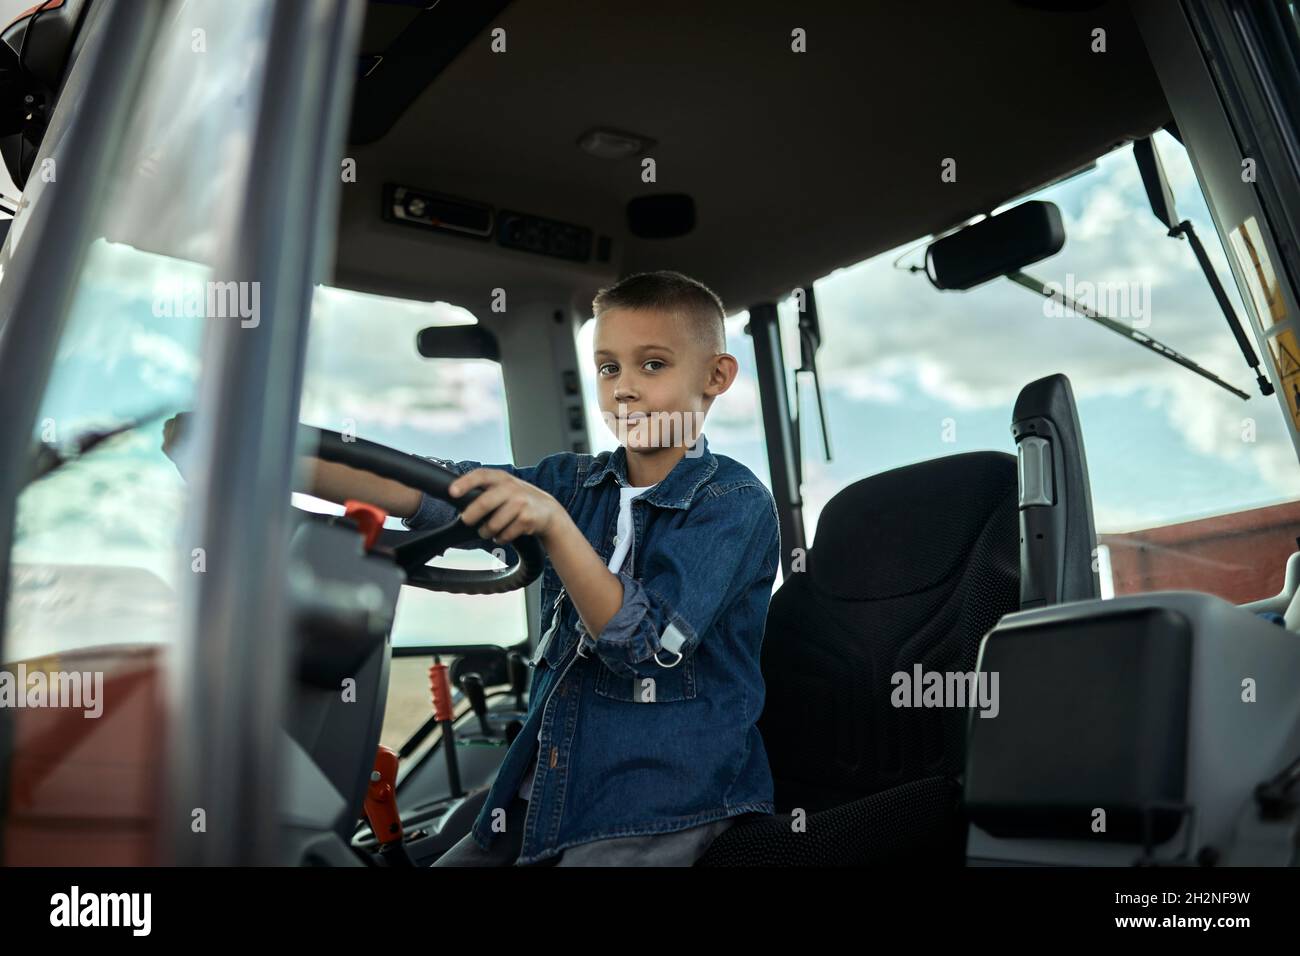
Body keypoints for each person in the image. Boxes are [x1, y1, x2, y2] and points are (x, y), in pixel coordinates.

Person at [164, 270, 782, 866]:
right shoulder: (575, 483)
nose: (623, 388)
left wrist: (554, 527)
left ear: (717, 376)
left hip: (659, 804)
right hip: (541, 786)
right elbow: (431, 491)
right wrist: (252, 450)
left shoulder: (732, 504)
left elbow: (642, 645)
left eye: (653, 365)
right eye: (607, 367)